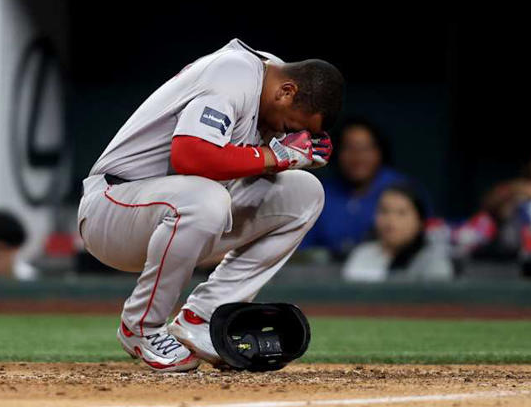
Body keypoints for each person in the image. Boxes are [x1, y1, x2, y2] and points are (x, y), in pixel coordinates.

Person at [78, 38, 343, 371]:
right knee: (207, 201)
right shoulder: (233, 74)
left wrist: (285, 158)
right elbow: (190, 155)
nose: (283, 132)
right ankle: (141, 326)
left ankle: (201, 317)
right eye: (290, 125)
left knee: (305, 193)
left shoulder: (270, 80)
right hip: (113, 207)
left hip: (177, 215)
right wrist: (276, 156)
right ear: (286, 91)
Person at [302, 119, 425, 259]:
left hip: (392, 269)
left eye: (366, 148)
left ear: (380, 152)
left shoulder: (401, 189)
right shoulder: (321, 191)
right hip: (325, 273)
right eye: (349, 148)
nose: (358, 156)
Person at [342, 184, 453, 282]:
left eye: (401, 213)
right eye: (384, 211)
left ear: (420, 221)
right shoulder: (363, 254)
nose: (390, 220)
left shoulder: (433, 263)